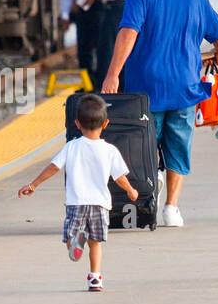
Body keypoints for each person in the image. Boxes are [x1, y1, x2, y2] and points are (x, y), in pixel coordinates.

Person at [101, 0, 218, 228]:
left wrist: (112, 74)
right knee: (179, 146)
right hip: (185, 87)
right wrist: (217, 56)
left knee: (144, 145)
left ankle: (148, 194)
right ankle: (172, 209)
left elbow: (128, 34)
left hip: (147, 88)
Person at [17, 94, 137, 292]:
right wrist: (131, 190)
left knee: (70, 239)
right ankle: (95, 278)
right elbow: (119, 177)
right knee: (96, 243)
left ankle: (75, 241)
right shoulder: (110, 150)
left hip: (76, 203)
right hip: (100, 204)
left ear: (77, 123)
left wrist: (33, 184)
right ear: (106, 123)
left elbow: (53, 167)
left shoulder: (71, 147)